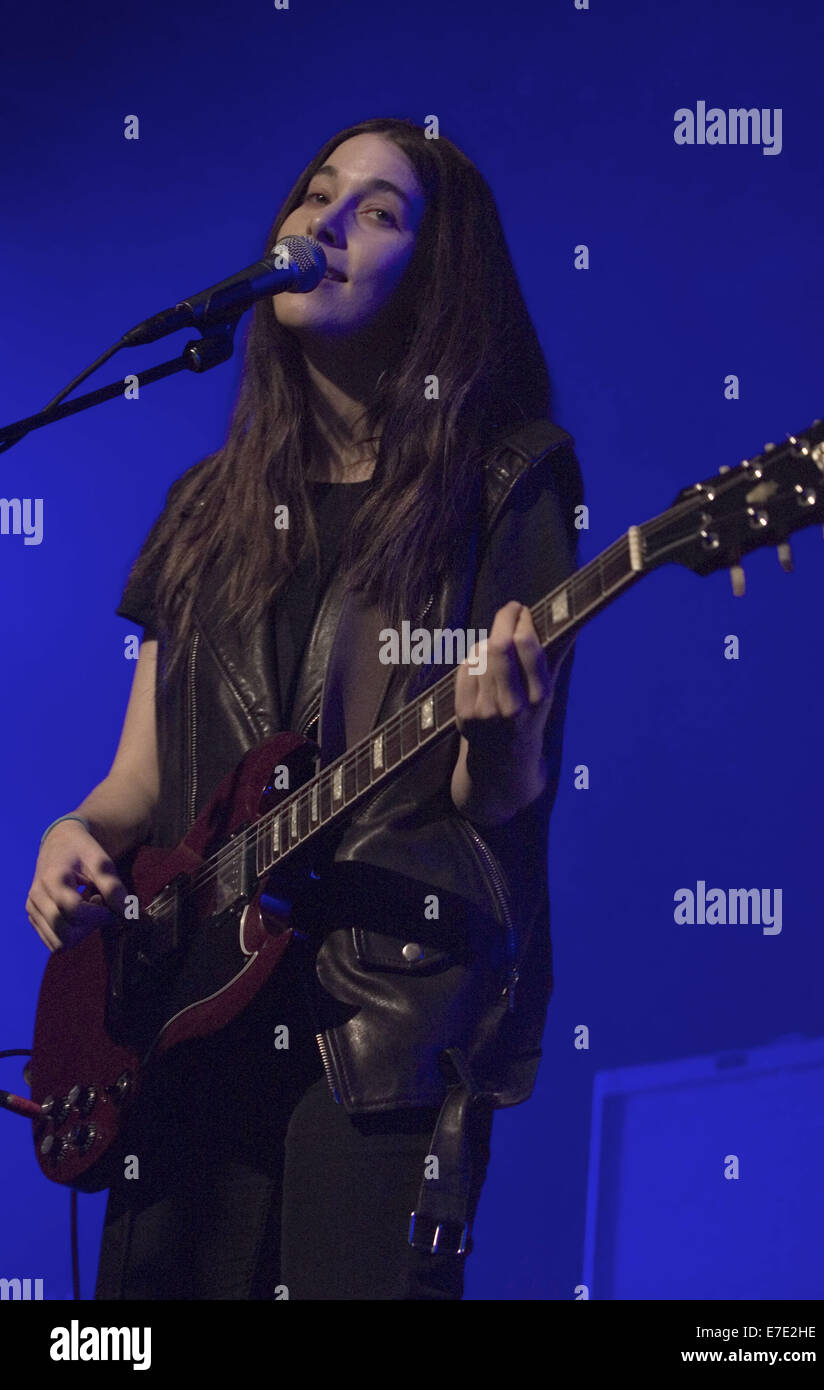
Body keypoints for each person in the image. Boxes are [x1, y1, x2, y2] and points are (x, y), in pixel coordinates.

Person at [24, 116, 584, 1300]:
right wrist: (78, 834)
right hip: (179, 1024)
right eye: (314, 195)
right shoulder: (204, 505)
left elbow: (500, 799)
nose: (320, 223)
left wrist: (507, 735)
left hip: (376, 1022)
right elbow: (140, 778)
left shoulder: (506, 480)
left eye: (374, 211)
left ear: (436, 282)